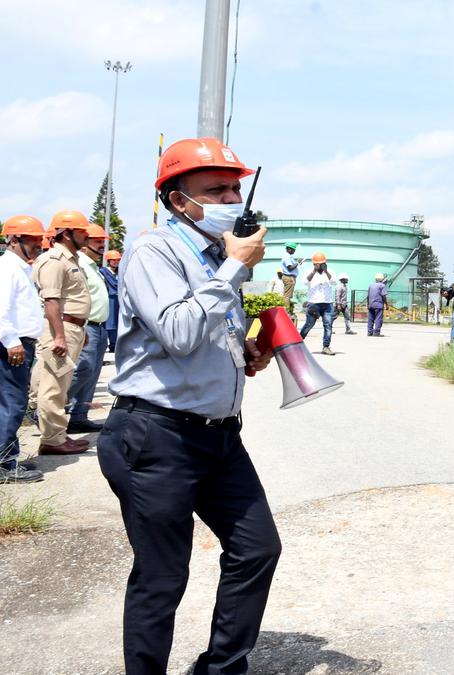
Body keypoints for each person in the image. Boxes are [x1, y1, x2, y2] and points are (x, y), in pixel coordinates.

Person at [100, 137, 279, 675]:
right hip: (155, 436)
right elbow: (177, 330)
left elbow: (202, 330)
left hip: (219, 437)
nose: (233, 197)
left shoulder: (220, 257)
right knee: (162, 576)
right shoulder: (153, 250)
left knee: (257, 549)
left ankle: (222, 668)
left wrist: (240, 351)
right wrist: (233, 270)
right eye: (216, 189)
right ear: (181, 202)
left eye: (235, 187)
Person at [30, 210, 93, 456]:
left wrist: (79, 327)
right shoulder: (54, 260)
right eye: (82, 231)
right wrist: (59, 336)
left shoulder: (70, 259)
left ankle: (57, 434)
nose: (86, 235)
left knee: (60, 383)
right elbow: (52, 301)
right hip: (61, 328)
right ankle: (53, 439)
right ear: (66, 234)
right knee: (53, 386)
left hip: (70, 327)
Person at [0, 215, 47, 483]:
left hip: (17, 344)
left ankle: (7, 458)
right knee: (12, 404)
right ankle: (4, 465)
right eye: (32, 239)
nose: (39, 244)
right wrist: (12, 341)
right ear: (14, 240)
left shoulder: (19, 268)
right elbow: (1, 308)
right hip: (12, 345)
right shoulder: (7, 268)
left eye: (40, 239)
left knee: (11, 403)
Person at [64, 224, 112, 433]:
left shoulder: (93, 266)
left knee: (92, 374)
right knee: (82, 369)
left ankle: (78, 417)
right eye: (96, 241)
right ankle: (50, 407)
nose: (101, 245)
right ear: (84, 243)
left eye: (103, 242)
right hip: (86, 326)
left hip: (100, 327)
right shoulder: (80, 264)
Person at [299, 252, 336, 355]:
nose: (320, 266)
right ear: (313, 264)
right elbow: (305, 282)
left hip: (327, 304)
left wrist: (326, 271)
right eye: (317, 264)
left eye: (322, 263)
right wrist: (314, 271)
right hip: (313, 304)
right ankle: (297, 343)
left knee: (328, 325)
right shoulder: (309, 272)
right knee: (309, 324)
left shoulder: (330, 272)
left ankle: (326, 347)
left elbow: (334, 282)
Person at [100, 249, 121, 351]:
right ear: (109, 261)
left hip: (119, 299)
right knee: (109, 322)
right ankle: (108, 343)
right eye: (113, 260)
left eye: (117, 260)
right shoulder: (103, 272)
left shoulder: (121, 271)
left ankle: (115, 344)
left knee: (118, 322)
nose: (116, 262)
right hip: (109, 299)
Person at [279, 242, 302, 314]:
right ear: (289, 249)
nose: (294, 251)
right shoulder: (287, 256)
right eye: (293, 249)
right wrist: (297, 262)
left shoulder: (288, 256)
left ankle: (286, 311)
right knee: (287, 296)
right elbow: (290, 268)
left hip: (290, 277)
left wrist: (297, 263)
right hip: (289, 277)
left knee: (287, 296)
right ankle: (286, 312)